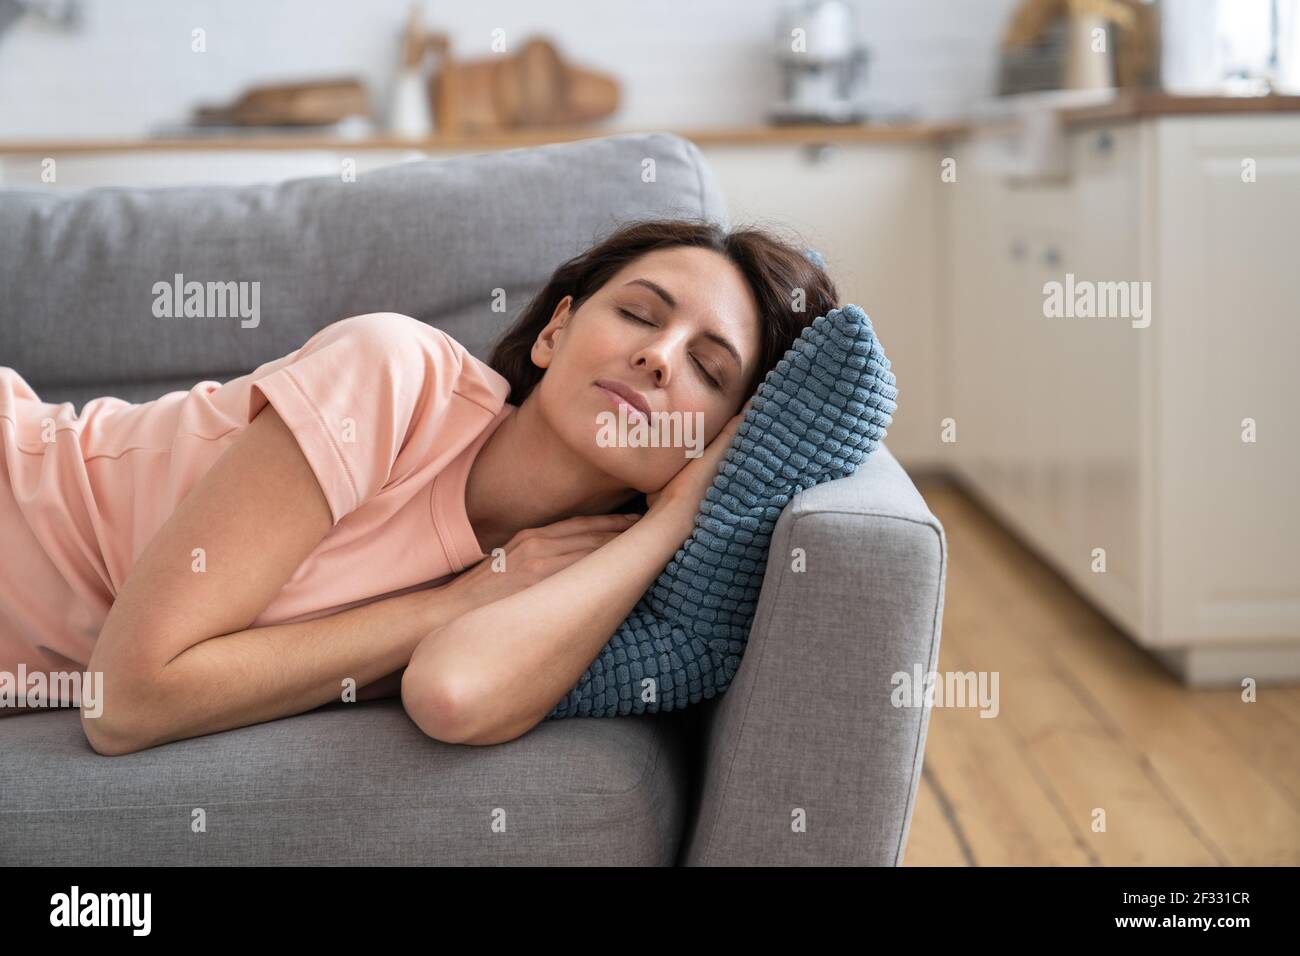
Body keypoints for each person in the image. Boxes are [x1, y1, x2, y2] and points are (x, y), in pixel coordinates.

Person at [0, 218, 838, 752]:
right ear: (554, 331)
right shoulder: (394, 374)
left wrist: (667, 525)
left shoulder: (567, 574)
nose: (660, 356)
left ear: (718, 442)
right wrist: (450, 603)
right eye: (641, 315)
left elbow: (453, 695)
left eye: (706, 366)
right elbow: (127, 702)